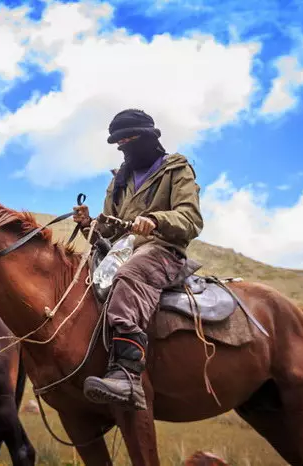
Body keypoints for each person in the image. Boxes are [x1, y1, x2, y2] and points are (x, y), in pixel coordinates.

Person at [73, 108, 204, 410]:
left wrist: (156, 220)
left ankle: (127, 374)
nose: (124, 147)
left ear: (148, 137)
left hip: (163, 250)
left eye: (130, 139)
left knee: (130, 274)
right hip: (122, 250)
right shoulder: (119, 180)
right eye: (119, 143)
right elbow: (109, 230)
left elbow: (191, 219)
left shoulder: (176, 170)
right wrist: (88, 224)